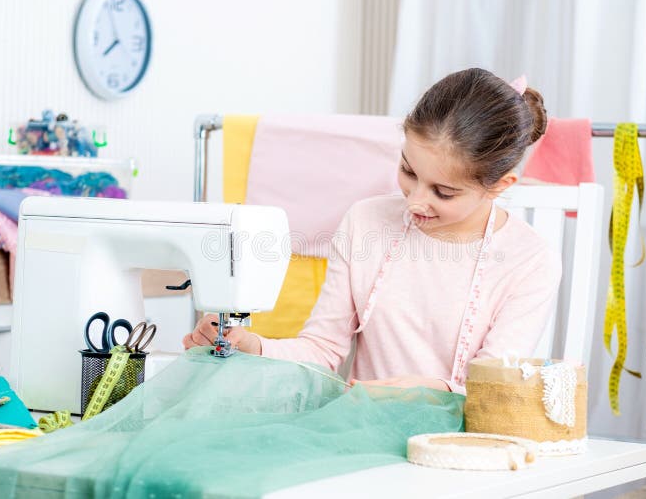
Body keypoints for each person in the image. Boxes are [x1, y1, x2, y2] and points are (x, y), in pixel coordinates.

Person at [183, 68, 562, 394]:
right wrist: (255, 346)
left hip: (464, 446)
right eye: (408, 172)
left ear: (500, 185)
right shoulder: (365, 222)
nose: (415, 201)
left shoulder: (529, 261)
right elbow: (321, 351)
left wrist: (426, 392)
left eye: (443, 192)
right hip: (362, 431)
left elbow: (488, 389)